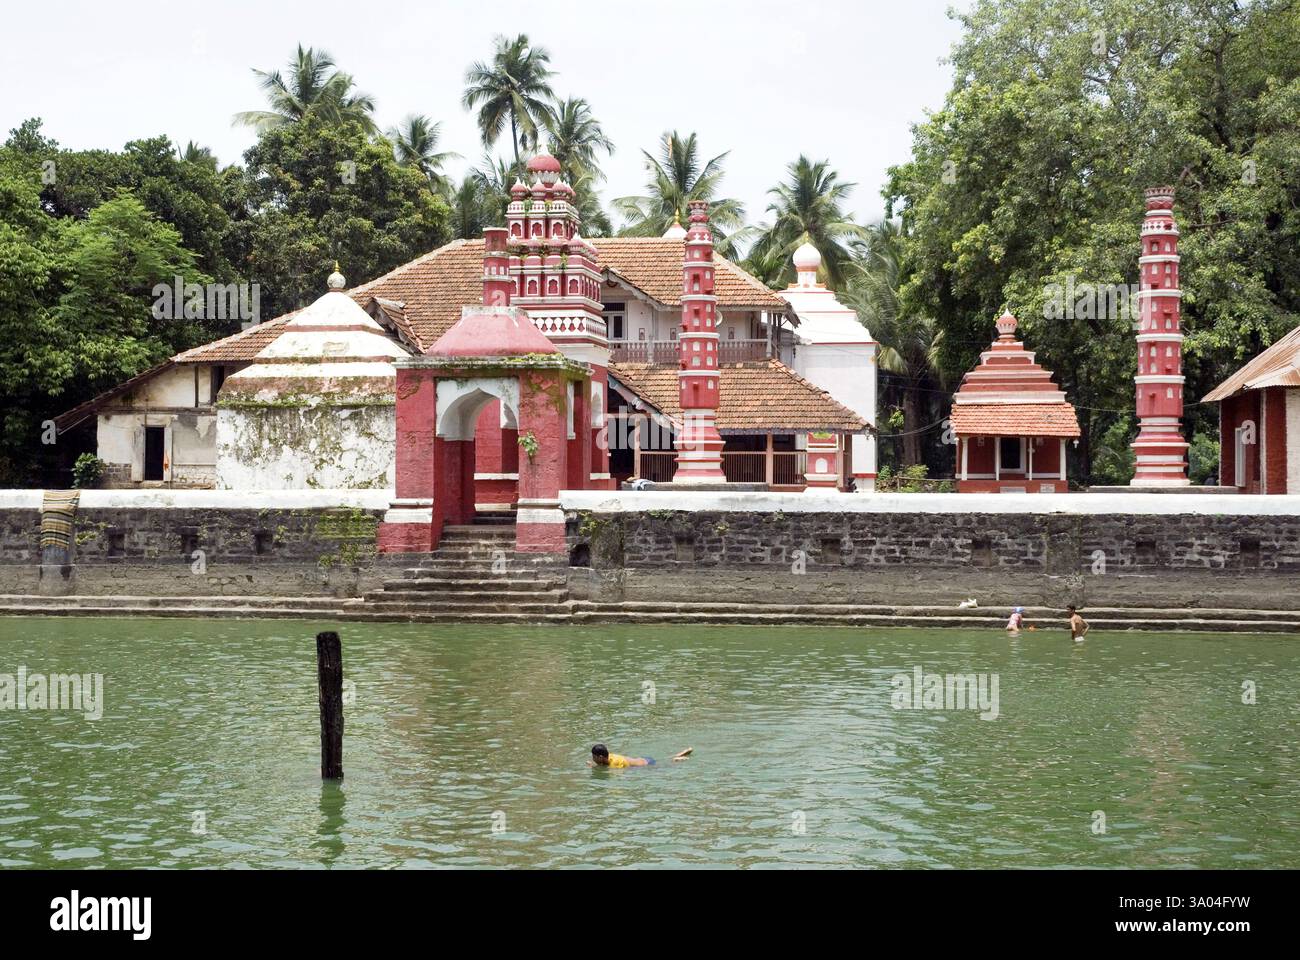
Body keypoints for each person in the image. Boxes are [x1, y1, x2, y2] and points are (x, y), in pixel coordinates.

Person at [589, 744, 692, 768]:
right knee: (661, 759)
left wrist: (594, 766)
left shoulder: (615, 763)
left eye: (594, 757)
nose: (593, 758)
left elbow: (611, 772)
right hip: (644, 759)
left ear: (601, 757)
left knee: (665, 765)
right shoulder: (610, 756)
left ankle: (676, 760)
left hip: (645, 765)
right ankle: (681, 753)